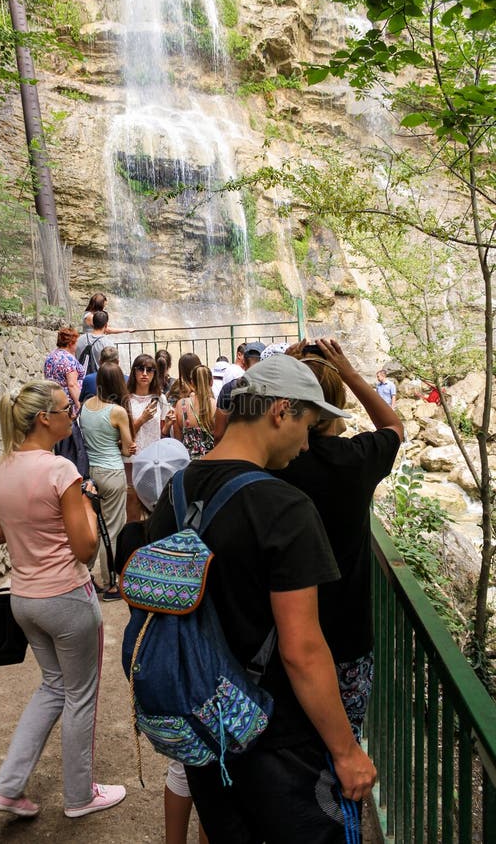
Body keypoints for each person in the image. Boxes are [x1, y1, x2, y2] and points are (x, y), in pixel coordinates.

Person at [144, 355, 376, 843]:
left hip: (208, 731)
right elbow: (302, 649)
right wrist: (347, 751)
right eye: (308, 426)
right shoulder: (284, 507)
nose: (307, 442)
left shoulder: (176, 490)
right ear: (281, 412)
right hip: (279, 739)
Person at [0, 380, 126, 819]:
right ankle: (80, 794)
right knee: (81, 695)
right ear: (45, 418)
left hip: (24, 597)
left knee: (52, 688)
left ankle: (8, 787)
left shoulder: (2, 466)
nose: (74, 416)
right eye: (68, 409)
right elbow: (86, 549)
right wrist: (85, 503)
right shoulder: (61, 470)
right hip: (66, 596)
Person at [275, 339, 404, 742]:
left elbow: (227, 425)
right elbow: (394, 426)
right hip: (346, 637)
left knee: (287, 748)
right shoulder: (358, 459)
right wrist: (348, 371)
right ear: (336, 402)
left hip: (279, 635)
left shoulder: (275, 460)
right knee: (341, 748)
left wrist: (285, 368)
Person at [117, 437, 206, 844]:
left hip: (152, 657)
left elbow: (126, 590)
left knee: (179, 765)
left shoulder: (132, 537)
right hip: (198, 660)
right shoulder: (195, 540)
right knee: (211, 760)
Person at [80, 363, 135, 601]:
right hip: (112, 472)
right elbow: (127, 448)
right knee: (113, 529)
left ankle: (86, 574)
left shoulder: (86, 406)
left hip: (92, 473)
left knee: (96, 526)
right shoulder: (117, 412)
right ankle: (112, 584)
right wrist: (128, 446)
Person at [125, 353, 175, 522]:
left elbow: (162, 432)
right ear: (134, 372)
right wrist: (141, 420)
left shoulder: (160, 399)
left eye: (150, 370)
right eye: (140, 369)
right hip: (132, 459)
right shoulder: (126, 400)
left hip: (153, 459)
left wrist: (168, 424)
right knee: (132, 509)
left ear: (155, 374)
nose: (145, 373)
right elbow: (123, 435)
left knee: (155, 507)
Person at [213, 341, 266, 443]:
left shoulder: (228, 388)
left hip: (234, 449)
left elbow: (218, 434)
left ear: (244, 363)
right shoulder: (273, 389)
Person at [173, 364, 216, 460]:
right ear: (211, 382)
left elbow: (178, 440)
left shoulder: (181, 405)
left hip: (189, 464)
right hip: (211, 462)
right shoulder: (216, 406)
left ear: (192, 382)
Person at [43, 327, 85, 415]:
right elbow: (72, 385)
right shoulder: (69, 360)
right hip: (68, 404)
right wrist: (79, 405)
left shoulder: (51, 356)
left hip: (53, 400)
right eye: (76, 342)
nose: (76, 345)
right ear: (70, 343)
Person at [76, 310, 111, 374]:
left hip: (81, 379)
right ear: (106, 325)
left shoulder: (79, 339)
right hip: (99, 380)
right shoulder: (108, 343)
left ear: (93, 323)